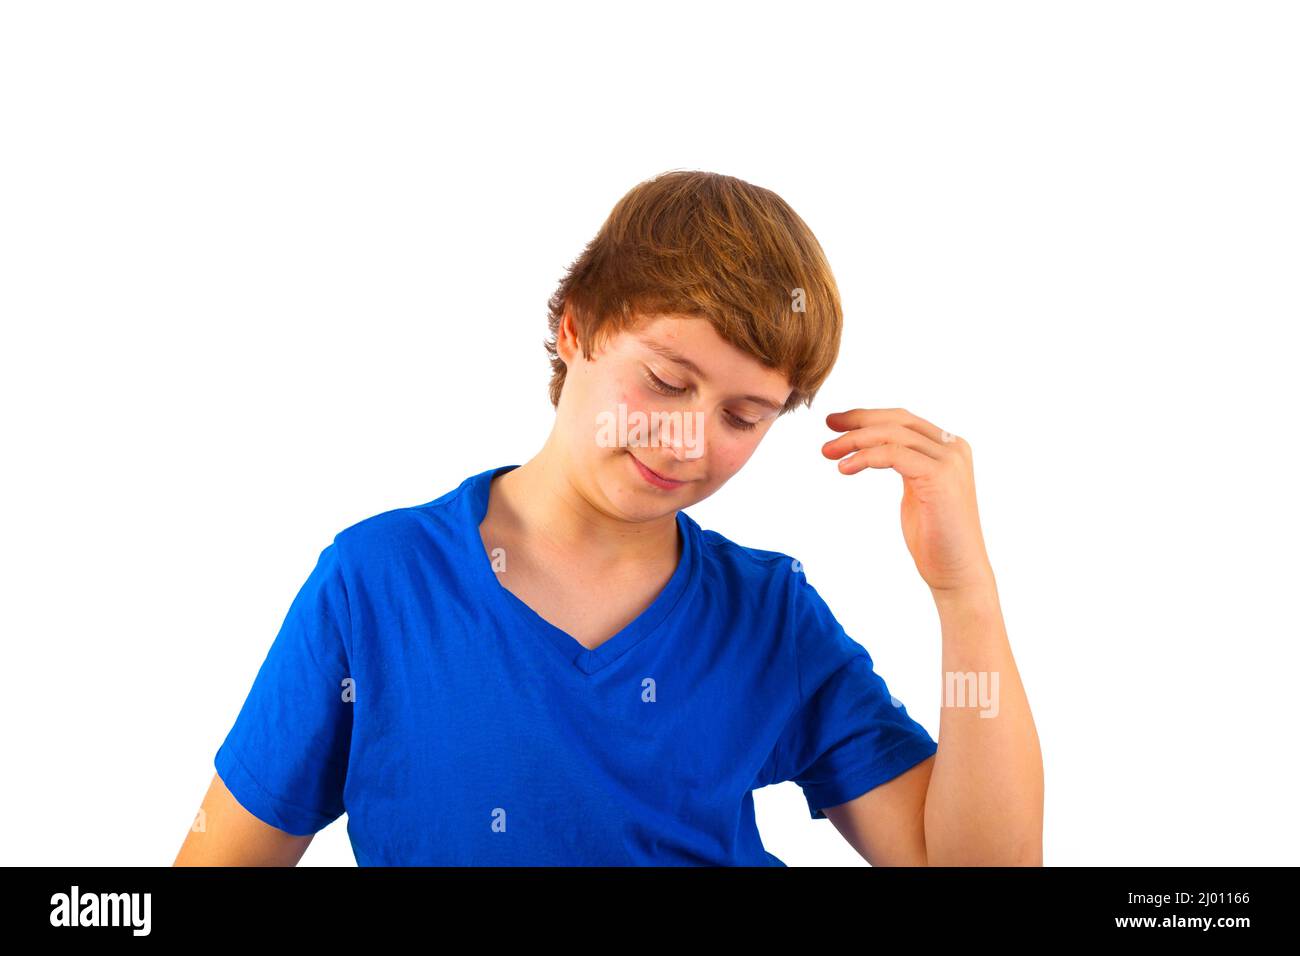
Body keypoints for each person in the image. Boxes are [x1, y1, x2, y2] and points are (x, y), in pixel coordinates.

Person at [174, 169, 1042, 866]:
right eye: (667, 382)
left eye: (743, 417)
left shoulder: (769, 617)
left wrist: (964, 591)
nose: (689, 439)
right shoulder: (379, 584)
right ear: (575, 327)